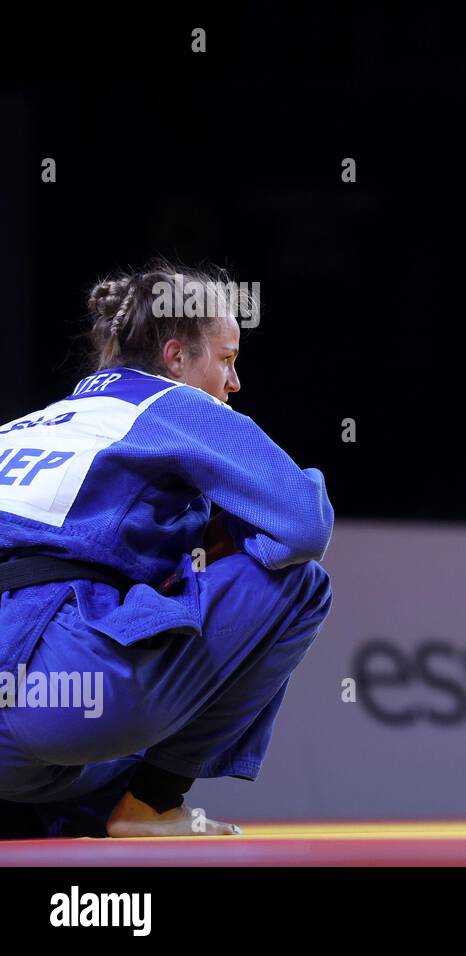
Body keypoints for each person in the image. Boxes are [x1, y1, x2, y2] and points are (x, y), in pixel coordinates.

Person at [0, 261, 334, 838]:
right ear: (176, 358)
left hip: (34, 734)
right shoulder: (172, 406)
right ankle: (152, 804)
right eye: (227, 359)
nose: (234, 384)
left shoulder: (26, 425)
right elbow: (303, 525)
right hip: (58, 697)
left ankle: (74, 816)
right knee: (299, 584)